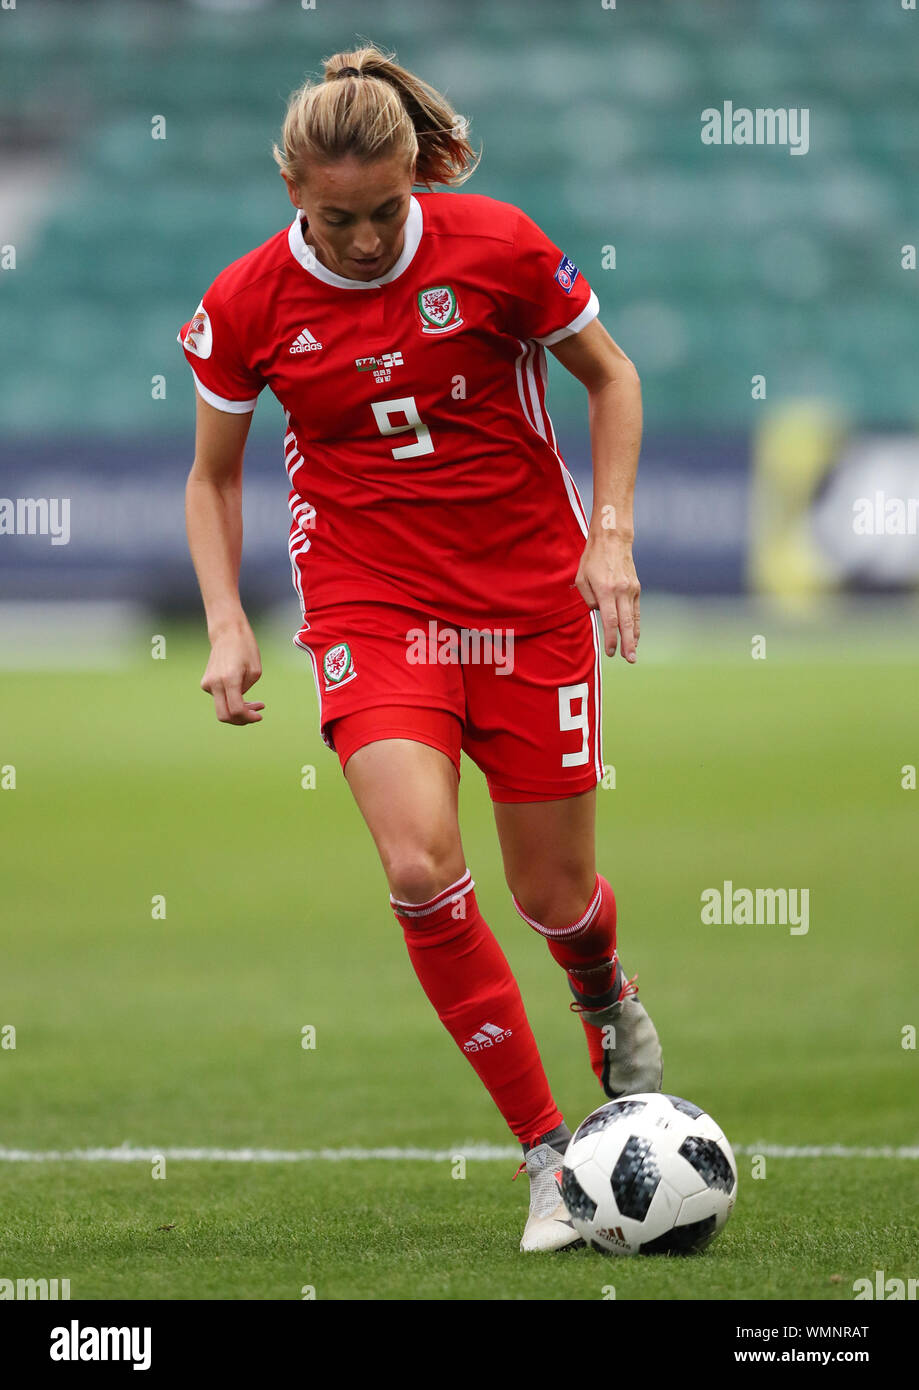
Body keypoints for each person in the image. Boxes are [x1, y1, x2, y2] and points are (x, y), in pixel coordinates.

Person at [180, 43, 662, 1253]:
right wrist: (230, 619)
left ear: (418, 178)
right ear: (293, 190)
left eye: (387, 211)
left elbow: (610, 380)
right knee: (416, 864)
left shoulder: (496, 246)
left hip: (528, 600)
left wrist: (609, 538)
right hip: (371, 606)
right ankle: (549, 1157)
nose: (361, 238)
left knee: (552, 896)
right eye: (336, 217)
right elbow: (211, 477)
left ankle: (601, 985)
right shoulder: (246, 303)